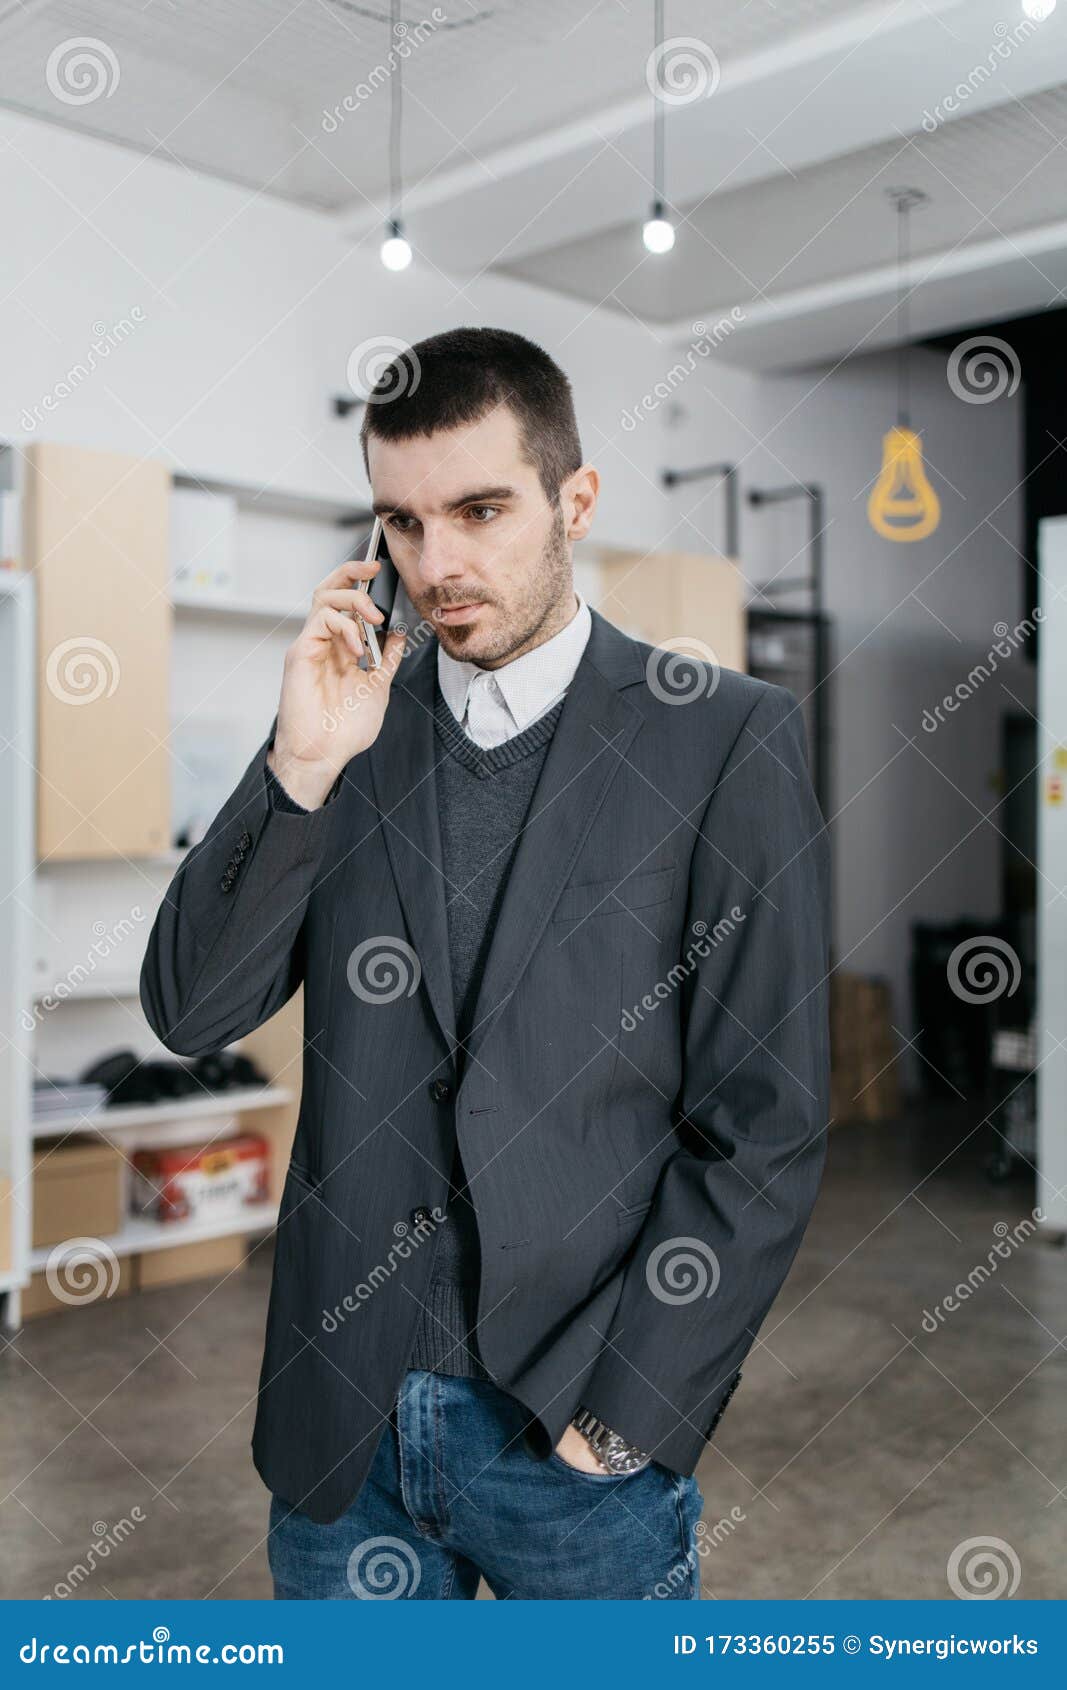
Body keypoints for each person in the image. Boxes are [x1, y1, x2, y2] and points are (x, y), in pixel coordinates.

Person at [141, 326, 831, 1601]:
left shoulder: (722, 738)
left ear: (574, 501)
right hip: (341, 1427)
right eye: (402, 523)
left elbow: (766, 1124)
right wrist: (299, 770)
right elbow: (192, 1010)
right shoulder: (346, 730)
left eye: (478, 509)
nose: (438, 562)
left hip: (571, 1439)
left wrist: (624, 1421)